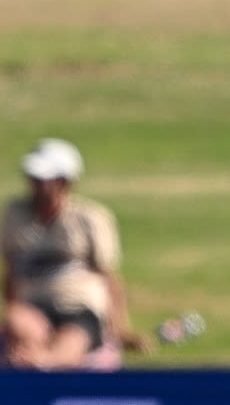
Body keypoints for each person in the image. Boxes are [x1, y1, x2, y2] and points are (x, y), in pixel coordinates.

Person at [2, 137, 147, 369]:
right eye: (34, 178)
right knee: (18, 324)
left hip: (79, 308)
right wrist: (14, 308)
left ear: (64, 182)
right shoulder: (15, 215)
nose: (36, 185)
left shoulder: (89, 219)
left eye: (44, 180)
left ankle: (44, 367)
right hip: (33, 305)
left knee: (64, 351)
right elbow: (12, 272)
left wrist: (119, 329)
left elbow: (108, 277)